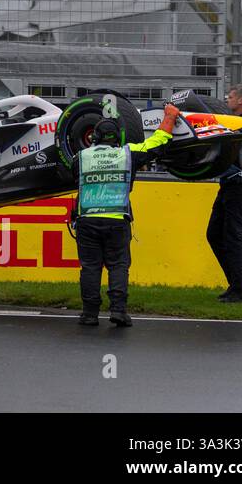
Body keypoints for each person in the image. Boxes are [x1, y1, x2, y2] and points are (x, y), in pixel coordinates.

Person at [72, 102, 180, 327]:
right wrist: (169, 117)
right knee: (118, 265)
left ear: (94, 138)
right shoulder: (128, 154)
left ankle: (90, 314)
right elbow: (157, 143)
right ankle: (118, 311)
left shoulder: (80, 158)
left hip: (87, 221)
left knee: (90, 267)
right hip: (117, 221)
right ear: (117, 137)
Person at [209, 84, 242, 302]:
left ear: (241, 101)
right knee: (213, 234)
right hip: (228, 183)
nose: (226, 99)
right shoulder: (231, 122)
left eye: (230, 97)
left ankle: (241, 289)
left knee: (233, 236)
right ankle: (238, 283)